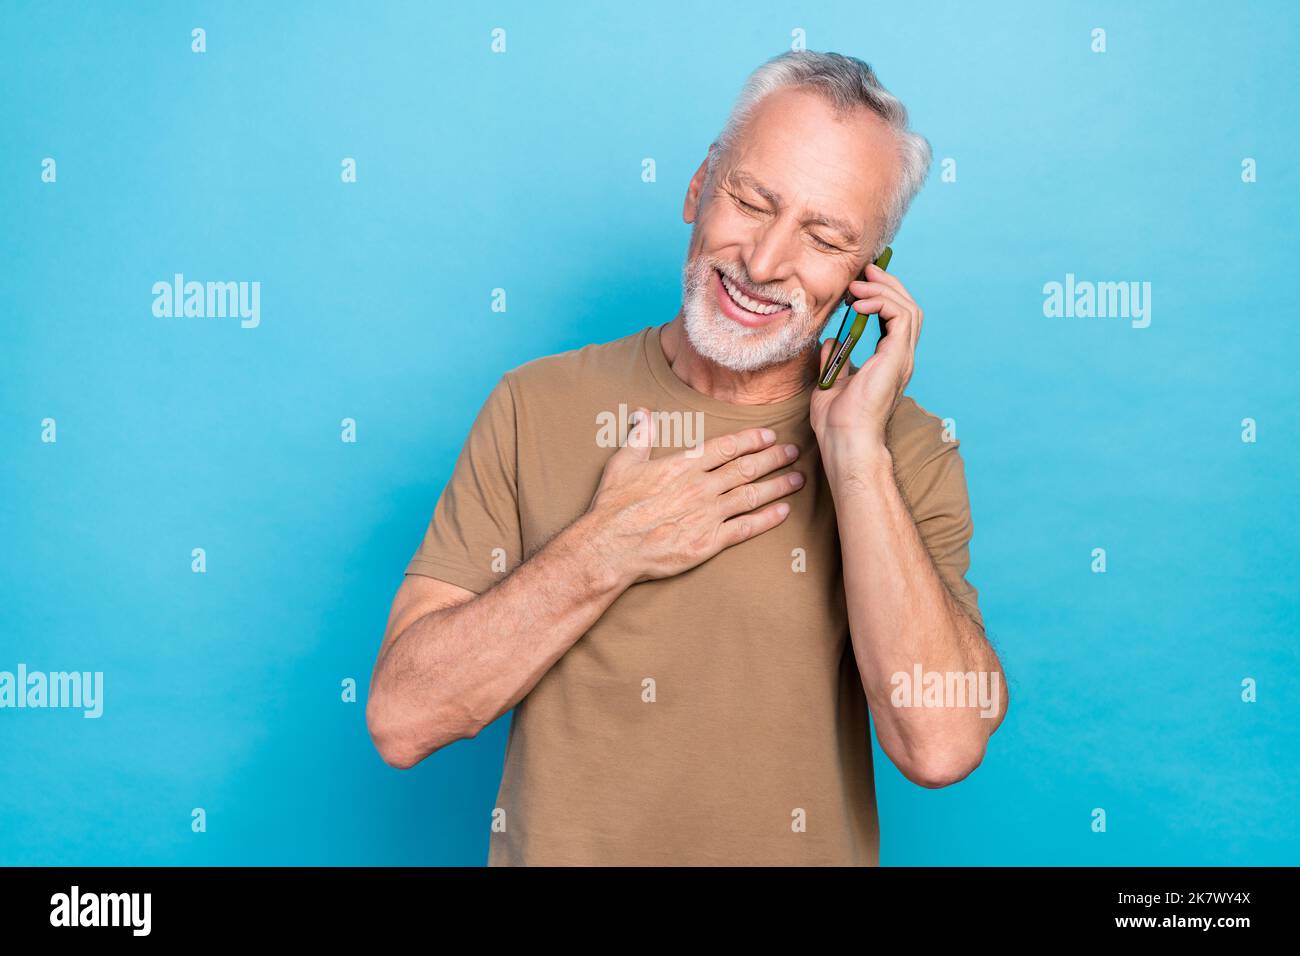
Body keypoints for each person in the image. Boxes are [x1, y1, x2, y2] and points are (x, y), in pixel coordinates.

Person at [366, 49, 1008, 866]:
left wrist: (854, 457)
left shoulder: (904, 452)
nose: (765, 262)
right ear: (700, 185)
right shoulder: (534, 405)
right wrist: (608, 549)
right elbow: (401, 718)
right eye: (751, 199)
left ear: (866, 277)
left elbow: (941, 745)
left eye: (825, 237)